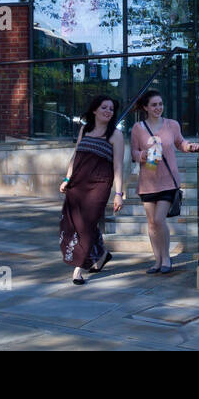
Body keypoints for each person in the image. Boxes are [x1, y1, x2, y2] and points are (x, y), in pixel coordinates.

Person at [130, 89, 198, 274]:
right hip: (147, 181)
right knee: (151, 223)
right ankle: (157, 260)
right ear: (145, 107)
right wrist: (144, 154)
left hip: (168, 180)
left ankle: (166, 258)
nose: (158, 108)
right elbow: (134, 153)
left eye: (160, 104)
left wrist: (189, 146)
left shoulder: (172, 125)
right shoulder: (138, 128)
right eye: (154, 105)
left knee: (160, 220)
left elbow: (180, 143)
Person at [58, 94, 125, 284]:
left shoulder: (116, 135)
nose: (108, 111)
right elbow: (76, 156)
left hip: (99, 185)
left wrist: (119, 194)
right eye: (104, 107)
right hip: (78, 183)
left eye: (111, 109)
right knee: (74, 223)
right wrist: (67, 178)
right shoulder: (85, 129)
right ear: (95, 110)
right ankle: (102, 254)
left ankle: (78, 268)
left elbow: (118, 166)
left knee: (86, 224)